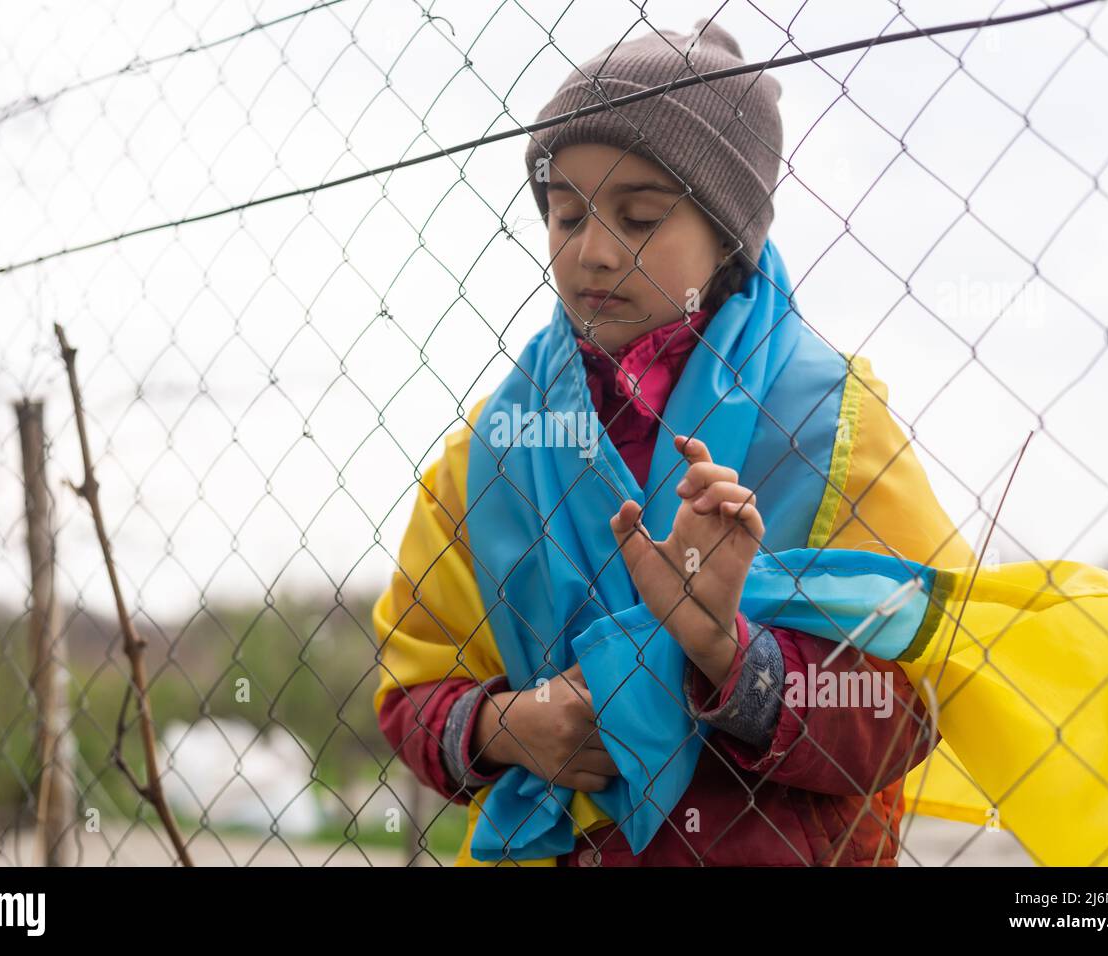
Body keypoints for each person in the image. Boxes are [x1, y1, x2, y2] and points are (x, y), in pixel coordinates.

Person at [373, 18, 946, 866]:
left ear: (728, 239)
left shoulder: (833, 431)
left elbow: (914, 702)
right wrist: (507, 726)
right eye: (565, 215)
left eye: (640, 218)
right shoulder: (490, 456)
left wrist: (731, 654)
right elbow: (414, 691)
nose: (593, 254)